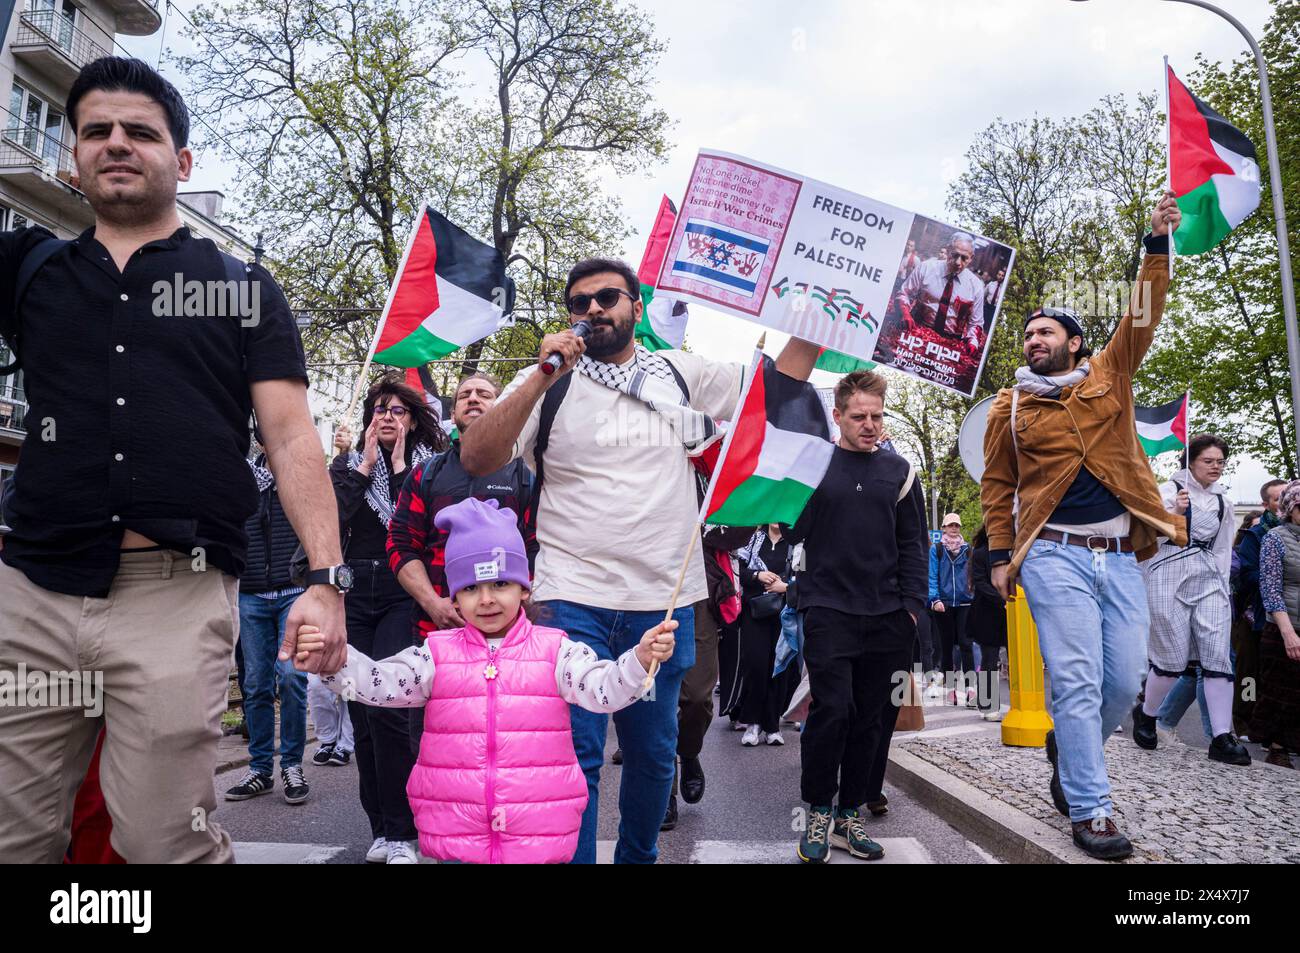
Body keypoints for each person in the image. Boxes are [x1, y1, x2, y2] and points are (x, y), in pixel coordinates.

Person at [0, 58, 345, 863]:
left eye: (140, 132)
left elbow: (292, 439)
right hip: (32, 593)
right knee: (13, 840)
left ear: (181, 162)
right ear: (71, 158)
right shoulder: (27, 271)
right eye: (96, 131)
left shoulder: (241, 287)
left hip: (174, 596)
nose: (117, 144)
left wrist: (326, 583)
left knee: (163, 843)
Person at [459, 256, 820, 864]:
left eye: (608, 297)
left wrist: (817, 323)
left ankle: (637, 857)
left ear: (637, 307)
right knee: (575, 756)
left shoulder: (681, 374)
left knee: (654, 757)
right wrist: (538, 379)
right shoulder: (548, 383)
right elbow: (477, 456)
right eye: (581, 303)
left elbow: (775, 391)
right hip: (569, 599)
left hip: (662, 603)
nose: (594, 310)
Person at [291, 497, 678, 863]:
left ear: (524, 588)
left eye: (500, 585)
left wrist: (638, 662)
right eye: (471, 588)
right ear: (455, 598)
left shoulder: (557, 651)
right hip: (458, 837)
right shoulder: (435, 655)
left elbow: (602, 690)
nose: (487, 599)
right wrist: (335, 663)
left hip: (536, 838)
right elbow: (380, 684)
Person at [980, 193, 1184, 861]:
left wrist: (1157, 245)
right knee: (1074, 677)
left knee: (1122, 684)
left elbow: (1143, 314)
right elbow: (998, 486)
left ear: (1075, 342)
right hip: (1051, 556)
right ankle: (1092, 810)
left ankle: (1069, 749)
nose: (1034, 339)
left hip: (1120, 552)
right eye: (1028, 333)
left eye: (1047, 331)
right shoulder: (1008, 407)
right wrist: (1000, 556)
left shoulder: (1111, 375)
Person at [785, 369, 927, 864]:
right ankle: (818, 812)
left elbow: (914, 545)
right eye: (859, 416)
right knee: (834, 711)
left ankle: (850, 815)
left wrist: (911, 610)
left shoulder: (901, 472)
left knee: (874, 719)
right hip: (828, 610)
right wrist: (787, 491)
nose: (869, 424)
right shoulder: (816, 466)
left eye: (877, 416)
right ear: (839, 416)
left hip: (889, 617)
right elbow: (793, 529)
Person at [330, 374, 448, 864]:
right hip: (354, 591)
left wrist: (398, 467)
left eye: (398, 410)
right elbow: (330, 519)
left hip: (401, 596)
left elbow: (416, 527)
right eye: (379, 409)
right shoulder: (345, 465)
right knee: (359, 710)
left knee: (390, 711)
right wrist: (364, 467)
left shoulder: (426, 469)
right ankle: (380, 827)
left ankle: (403, 831)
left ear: (414, 420)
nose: (387, 417)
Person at [1132, 434, 1247, 763]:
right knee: (1171, 657)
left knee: (1217, 653)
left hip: (1208, 575)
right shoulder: (1169, 492)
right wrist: (1172, 512)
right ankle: (1149, 715)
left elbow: (1224, 546)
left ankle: (1222, 736)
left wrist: (1223, 585)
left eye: (1220, 462)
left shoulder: (1224, 502)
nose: (1215, 467)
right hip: (1168, 573)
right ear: (1191, 461)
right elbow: (1143, 533)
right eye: (1208, 461)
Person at [224, 447, 312, 803]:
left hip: (293, 591)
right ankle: (260, 769)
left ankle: (292, 764)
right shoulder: (242, 477)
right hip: (251, 594)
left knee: (292, 678)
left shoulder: (300, 475)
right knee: (256, 683)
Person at [734, 524, 800, 747]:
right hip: (754, 613)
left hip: (784, 615)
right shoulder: (752, 540)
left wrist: (786, 587)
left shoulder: (797, 544)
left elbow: (805, 576)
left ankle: (772, 726)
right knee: (756, 665)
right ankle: (752, 723)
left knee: (779, 667)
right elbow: (738, 572)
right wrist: (757, 575)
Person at [1250, 479, 1300, 768]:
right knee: (1282, 692)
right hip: (1283, 627)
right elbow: (1270, 589)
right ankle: (1278, 748)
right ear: (1291, 508)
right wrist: (1288, 632)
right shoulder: (1275, 538)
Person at [1234, 478, 1286, 737]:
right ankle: (1245, 720)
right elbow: (1248, 573)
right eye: (1278, 498)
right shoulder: (1254, 535)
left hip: (1287, 616)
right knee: (1249, 674)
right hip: (1255, 615)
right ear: (1266, 504)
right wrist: (1277, 577)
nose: (1284, 503)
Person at [895, 232, 987, 355]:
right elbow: (903, 293)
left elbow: (976, 323)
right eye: (955, 255)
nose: (958, 262)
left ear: (971, 258)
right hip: (917, 331)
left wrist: (972, 342)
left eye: (964, 258)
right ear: (948, 250)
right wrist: (905, 313)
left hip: (950, 344)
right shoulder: (926, 268)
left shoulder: (975, 286)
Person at [929, 513, 975, 706]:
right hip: (944, 604)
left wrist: (974, 594)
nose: (954, 528)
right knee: (946, 647)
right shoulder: (937, 549)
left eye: (957, 525)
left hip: (965, 602)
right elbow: (932, 575)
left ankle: (971, 688)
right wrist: (934, 598)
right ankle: (950, 689)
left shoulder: (968, 549)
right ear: (944, 528)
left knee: (966, 644)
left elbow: (973, 575)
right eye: (950, 525)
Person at [967, 525, 1007, 720]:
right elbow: (980, 582)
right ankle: (987, 705)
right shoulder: (981, 553)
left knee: (1015, 659)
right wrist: (1003, 599)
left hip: (1009, 612)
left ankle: (1018, 704)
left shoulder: (1011, 552)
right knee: (989, 659)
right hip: (987, 613)